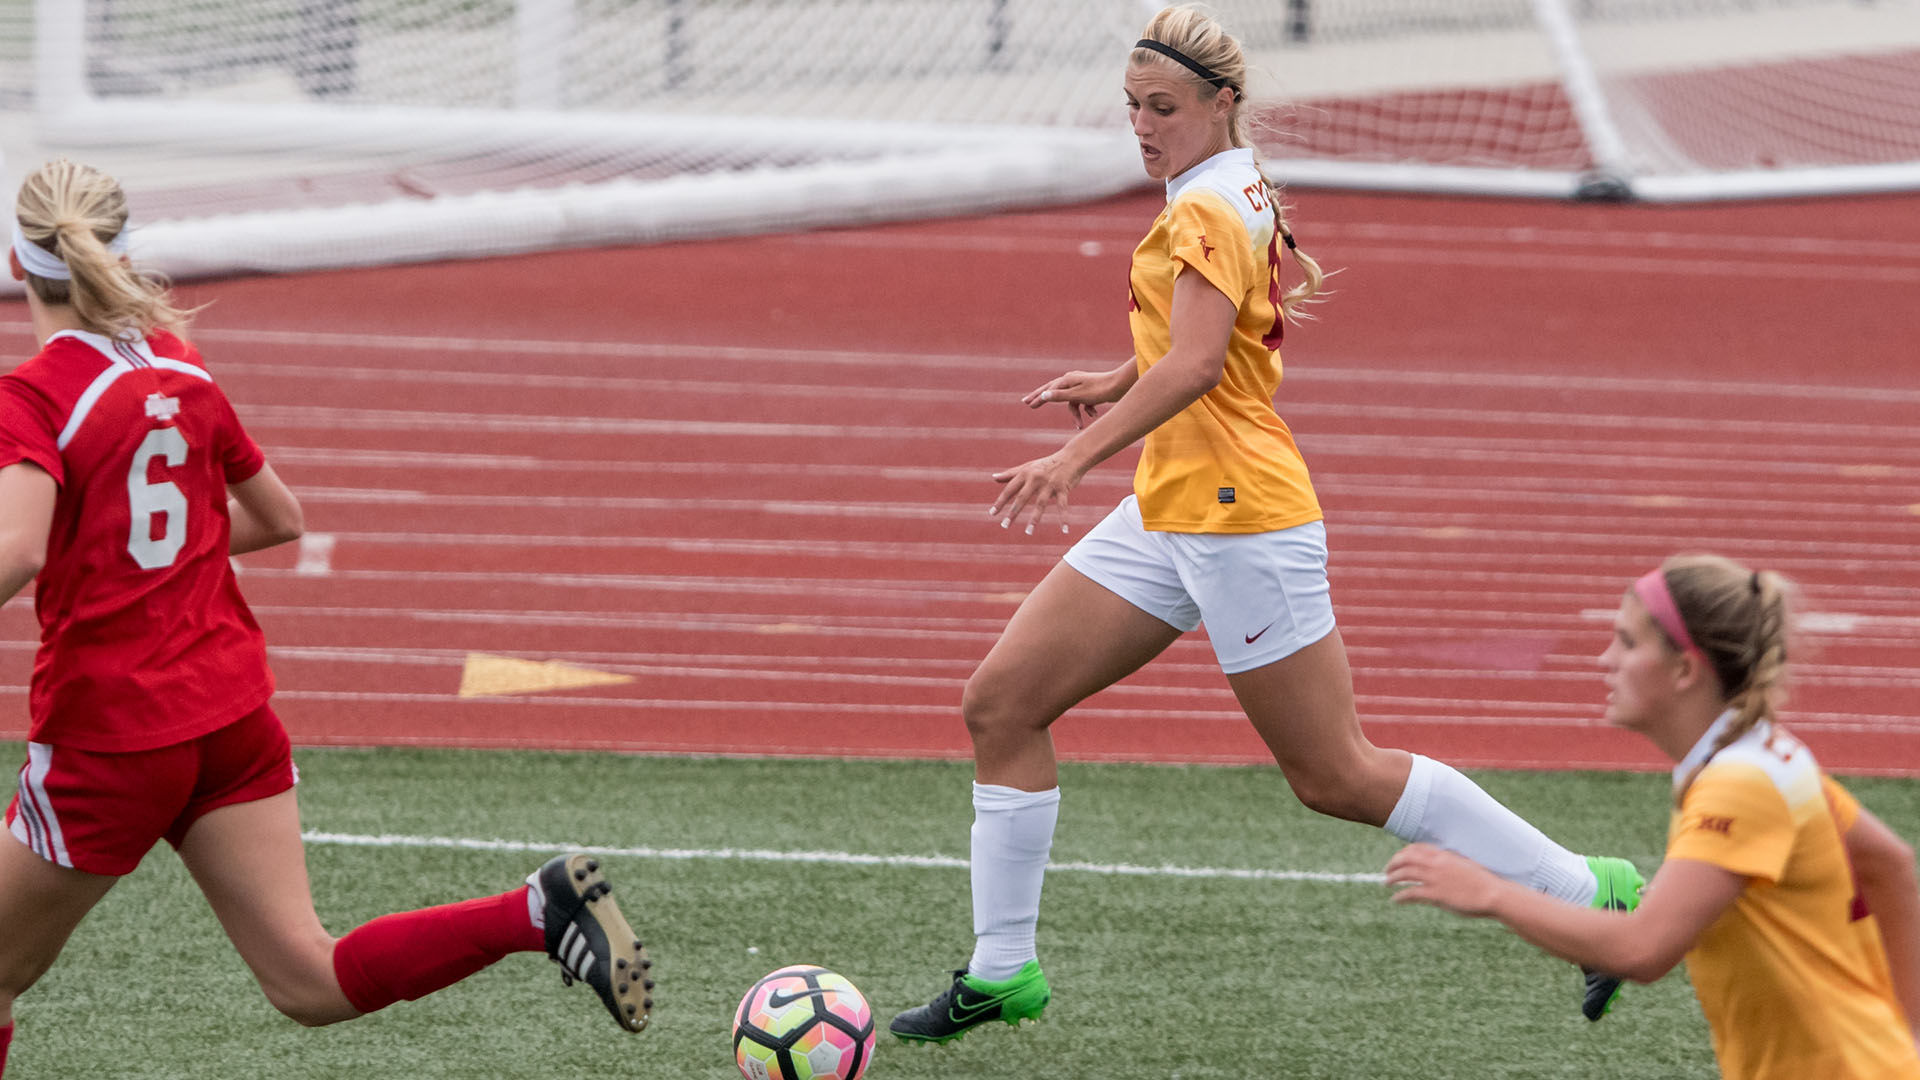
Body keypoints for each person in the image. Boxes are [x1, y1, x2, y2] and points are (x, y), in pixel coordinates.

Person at [888, 4, 1642, 1045]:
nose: (1143, 127)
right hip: (1177, 505)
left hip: (1241, 516)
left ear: (1220, 104)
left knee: (1335, 772)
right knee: (1002, 702)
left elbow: (1200, 365)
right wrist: (1115, 379)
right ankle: (1003, 970)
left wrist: (1075, 454)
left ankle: (1586, 889)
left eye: (1163, 109)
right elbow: (1215, 342)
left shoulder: (1203, 207)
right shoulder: (1230, 182)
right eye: (1131, 108)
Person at [0, 158, 654, 1076]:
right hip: (231, 714)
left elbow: (19, 548)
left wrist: (107, 558)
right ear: (121, 252)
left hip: (114, 733)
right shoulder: (183, 372)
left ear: (21, 266)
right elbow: (278, 518)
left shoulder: (32, 397)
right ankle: (536, 912)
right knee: (307, 979)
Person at [1387, 555, 1920, 1079]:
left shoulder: (1738, 785)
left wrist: (1492, 893)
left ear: (1685, 669)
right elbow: (1889, 864)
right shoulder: (1764, 753)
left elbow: (1641, 950)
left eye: (1627, 642)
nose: (1604, 660)